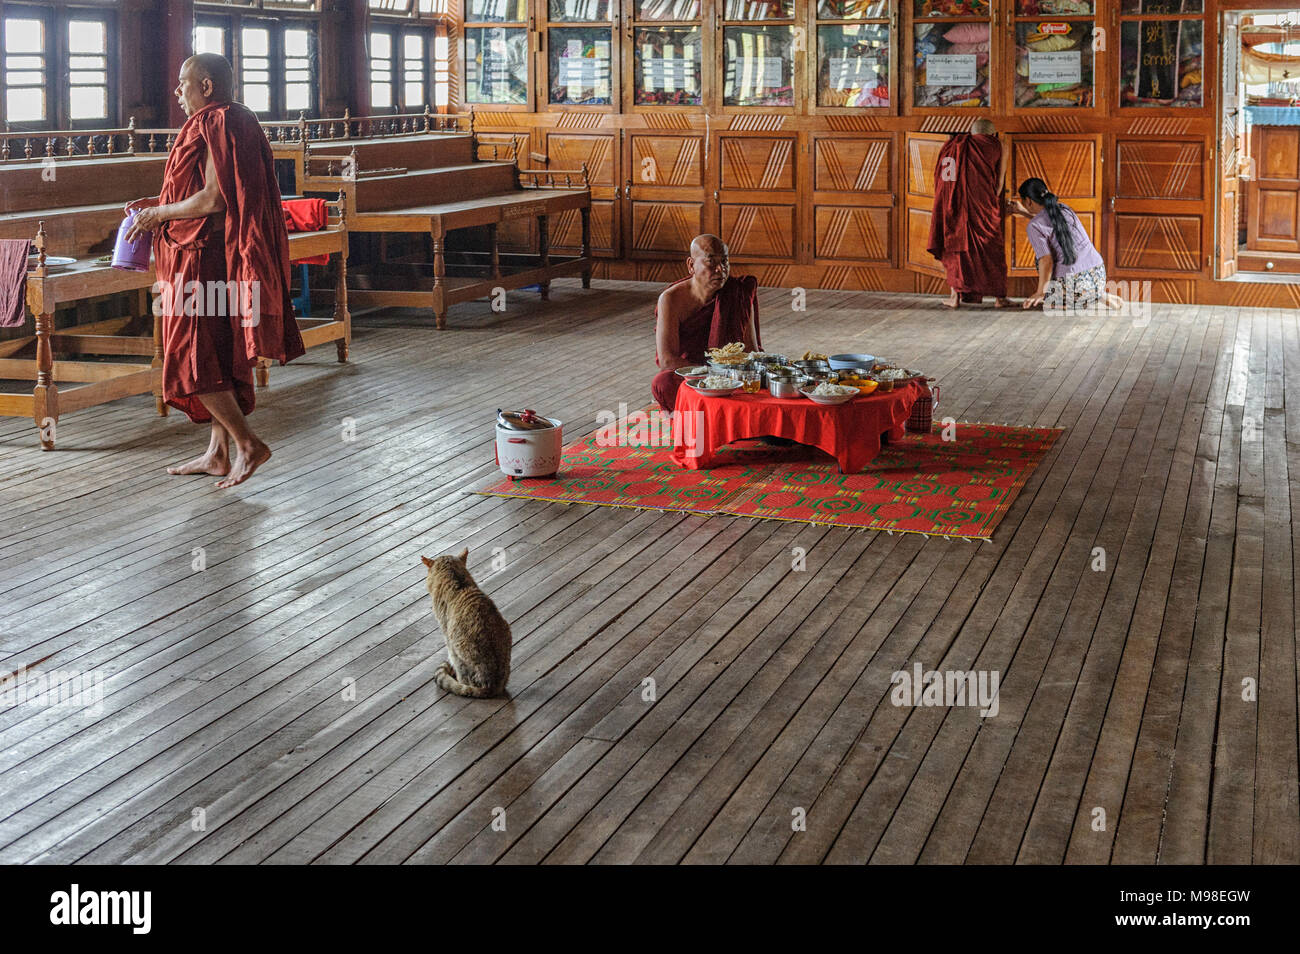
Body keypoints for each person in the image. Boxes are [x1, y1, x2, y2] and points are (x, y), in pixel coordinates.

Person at [125, 53, 304, 488]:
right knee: (218, 353)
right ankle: (217, 453)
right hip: (216, 256)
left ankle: (247, 444)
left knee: (191, 359)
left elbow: (212, 199)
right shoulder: (241, 119)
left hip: (202, 259)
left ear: (206, 86)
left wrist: (158, 213)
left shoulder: (218, 121)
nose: (177, 93)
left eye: (183, 84)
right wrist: (161, 211)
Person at [651, 234, 759, 413]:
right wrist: (713, 375)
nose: (720, 269)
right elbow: (667, 360)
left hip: (733, 378)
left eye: (724, 261)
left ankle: (715, 413)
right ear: (691, 265)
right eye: (711, 262)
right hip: (695, 375)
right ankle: (726, 413)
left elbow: (751, 350)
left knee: (762, 380)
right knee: (664, 383)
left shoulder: (738, 291)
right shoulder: (671, 299)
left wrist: (732, 377)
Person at [927, 118, 1011, 310]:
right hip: (984, 209)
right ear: (993, 134)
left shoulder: (954, 146)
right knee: (992, 251)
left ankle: (955, 297)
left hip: (953, 207)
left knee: (955, 248)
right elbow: (998, 185)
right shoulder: (999, 146)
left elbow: (942, 181)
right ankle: (1000, 298)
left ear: (971, 133)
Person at [1008, 177, 1109, 311]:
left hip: (1076, 284)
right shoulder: (1065, 209)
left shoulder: (1034, 226)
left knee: (1040, 260)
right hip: (1099, 275)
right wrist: (1023, 212)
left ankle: (1076, 299)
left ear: (1028, 201)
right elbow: (1050, 225)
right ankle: (1096, 294)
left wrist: (1041, 292)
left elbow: (1046, 260)